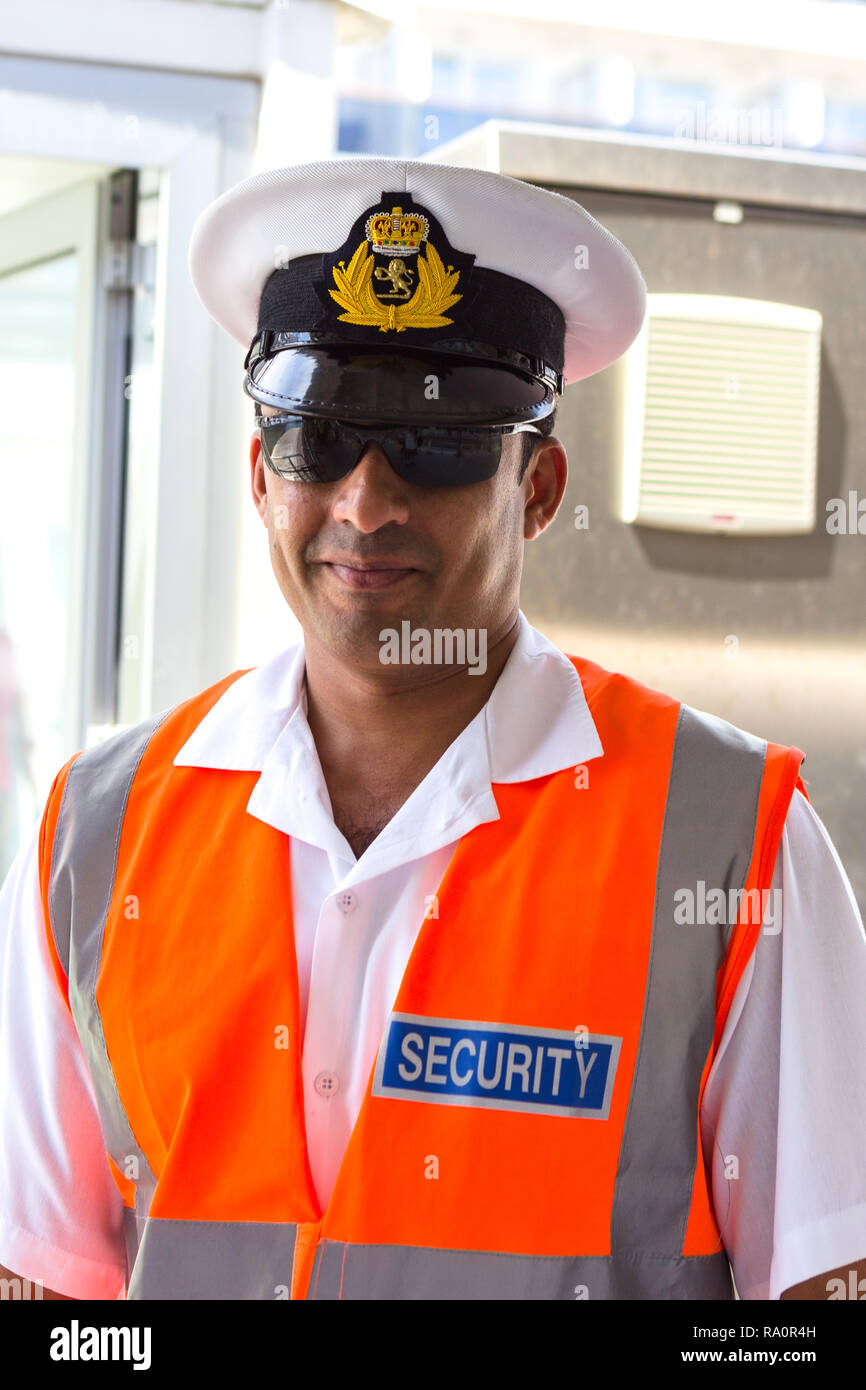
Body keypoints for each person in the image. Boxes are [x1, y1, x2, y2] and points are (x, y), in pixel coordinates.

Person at [1, 156, 865, 1303]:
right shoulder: (93, 836)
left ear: (540, 487)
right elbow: (50, 1291)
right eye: (318, 439)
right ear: (261, 474)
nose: (365, 502)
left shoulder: (729, 843)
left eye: (439, 441)